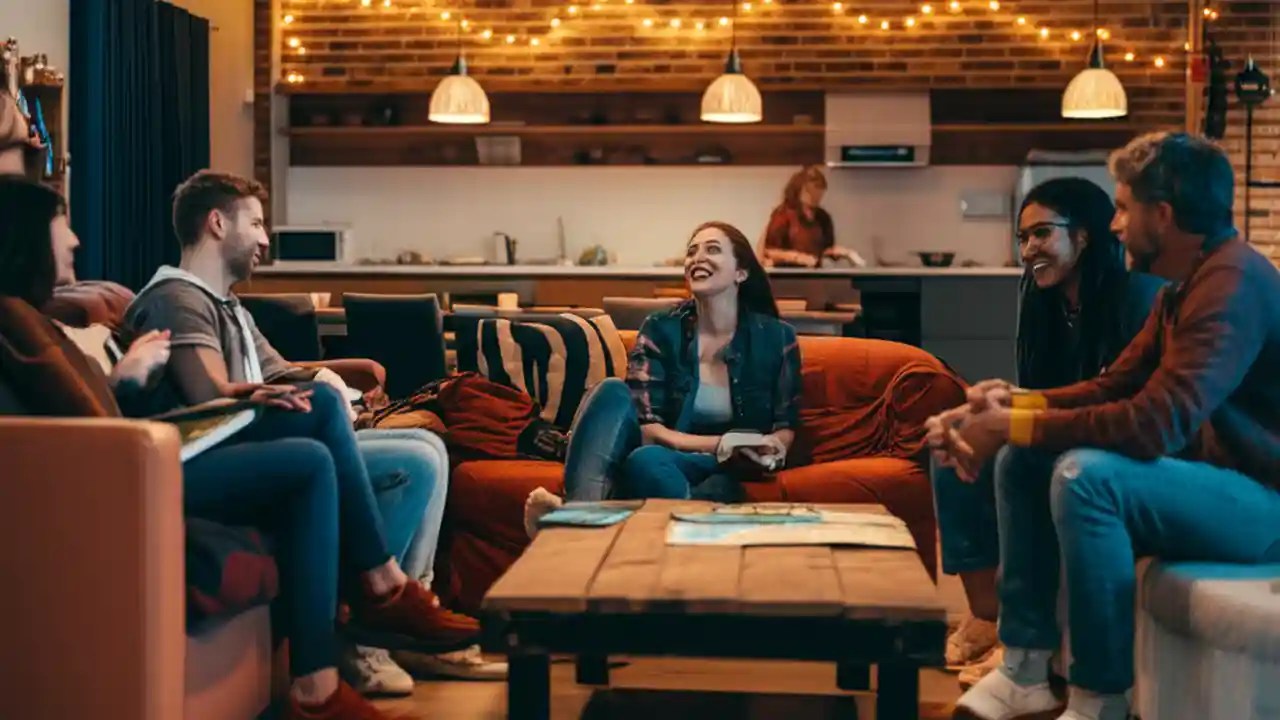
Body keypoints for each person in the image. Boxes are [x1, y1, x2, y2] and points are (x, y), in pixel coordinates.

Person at [0, 176, 479, 720]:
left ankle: (323, 677)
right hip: (142, 469)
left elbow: (91, 424)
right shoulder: (39, 326)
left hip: (145, 458)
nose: (76, 240)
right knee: (329, 418)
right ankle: (376, 597)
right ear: (26, 237)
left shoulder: (38, 323)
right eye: (62, 225)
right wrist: (124, 381)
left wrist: (276, 388)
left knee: (316, 452)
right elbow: (95, 433)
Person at [928, 132, 1280, 720]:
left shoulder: (1231, 285)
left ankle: (1098, 699)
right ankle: (1025, 668)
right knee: (1024, 459)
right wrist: (1015, 405)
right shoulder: (1188, 284)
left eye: (1122, 207)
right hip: (1224, 485)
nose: (1114, 225)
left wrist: (1014, 425)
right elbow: (1113, 384)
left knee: (1086, 477)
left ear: (1161, 214)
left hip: (1264, 503)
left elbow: (1155, 423)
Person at [122, 170, 503, 693]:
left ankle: (407, 613)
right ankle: (372, 621)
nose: (265, 239)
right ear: (217, 223)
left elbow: (280, 372)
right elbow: (207, 396)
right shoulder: (177, 298)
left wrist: (336, 378)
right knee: (409, 459)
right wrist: (311, 395)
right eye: (256, 224)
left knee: (428, 446)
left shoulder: (228, 304)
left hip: (257, 437)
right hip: (215, 452)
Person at [936, 178, 1166, 686]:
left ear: (1084, 235)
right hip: (1064, 425)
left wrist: (1021, 419)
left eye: (1042, 233)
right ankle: (986, 616)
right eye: (1022, 238)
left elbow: (1126, 401)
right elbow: (1045, 390)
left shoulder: (1139, 297)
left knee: (1018, 458)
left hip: (1120, 440)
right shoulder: (1043, 299)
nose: (1028, 250)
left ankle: (1021, 637)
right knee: (957, 445)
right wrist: (995, 408)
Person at [525, 221, 802, 531]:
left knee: (648, 466)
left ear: (741, 272)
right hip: (670, 455)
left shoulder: (778, 338)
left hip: (733, 465)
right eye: (692, 251)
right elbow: (649, 430)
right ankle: (582, 516)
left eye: (712, 249)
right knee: (615, 398)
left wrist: (772, 449)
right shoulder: (661, 328)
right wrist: (723, 443)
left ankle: (577, 523)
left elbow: (785, 424)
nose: (698, 258)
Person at [759, 165, 863, 268]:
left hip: (814, 273)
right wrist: (797, 258)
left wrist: (846, 253)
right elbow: (769, 252)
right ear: (800, 190)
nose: (815, 197)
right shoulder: (783, 215)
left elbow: (825, 250)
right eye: (811, 192)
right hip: (788, 274)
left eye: (819, 193)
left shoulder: (823, 217)